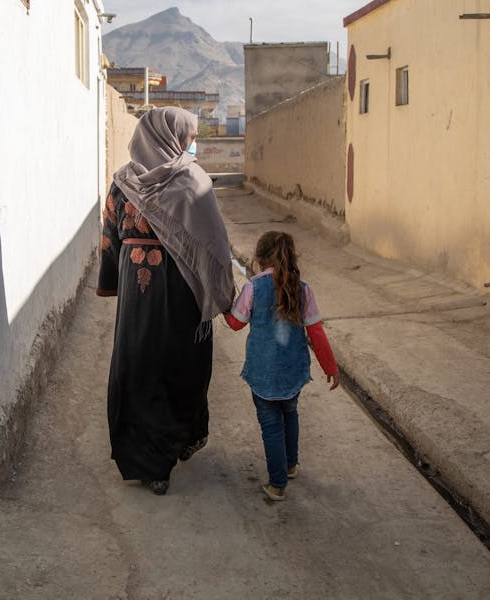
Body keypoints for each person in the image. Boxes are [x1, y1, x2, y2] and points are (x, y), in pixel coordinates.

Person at [97, 107, 236, 495]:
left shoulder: (122, 183)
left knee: (138, 363)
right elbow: (214, 246)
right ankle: (180, 440)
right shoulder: (192, 180)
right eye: (188, 136)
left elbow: (110, 237)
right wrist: (223, 294)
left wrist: (112, 281)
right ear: (173, 137)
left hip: (137, 296)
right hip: (181, 294)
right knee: (180, 364)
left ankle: (147, 461)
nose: (190, 143)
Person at [223, 230, 339, 502]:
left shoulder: (253, 287)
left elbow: (236, 323)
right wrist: (330, 367)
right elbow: (316, 333)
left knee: (271, 424)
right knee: (290, 413)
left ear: (259, 258)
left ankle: (277, 484)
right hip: (292, 372)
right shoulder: (303, 289)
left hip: (263, 373)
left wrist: (226, 304)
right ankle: (290, 465)